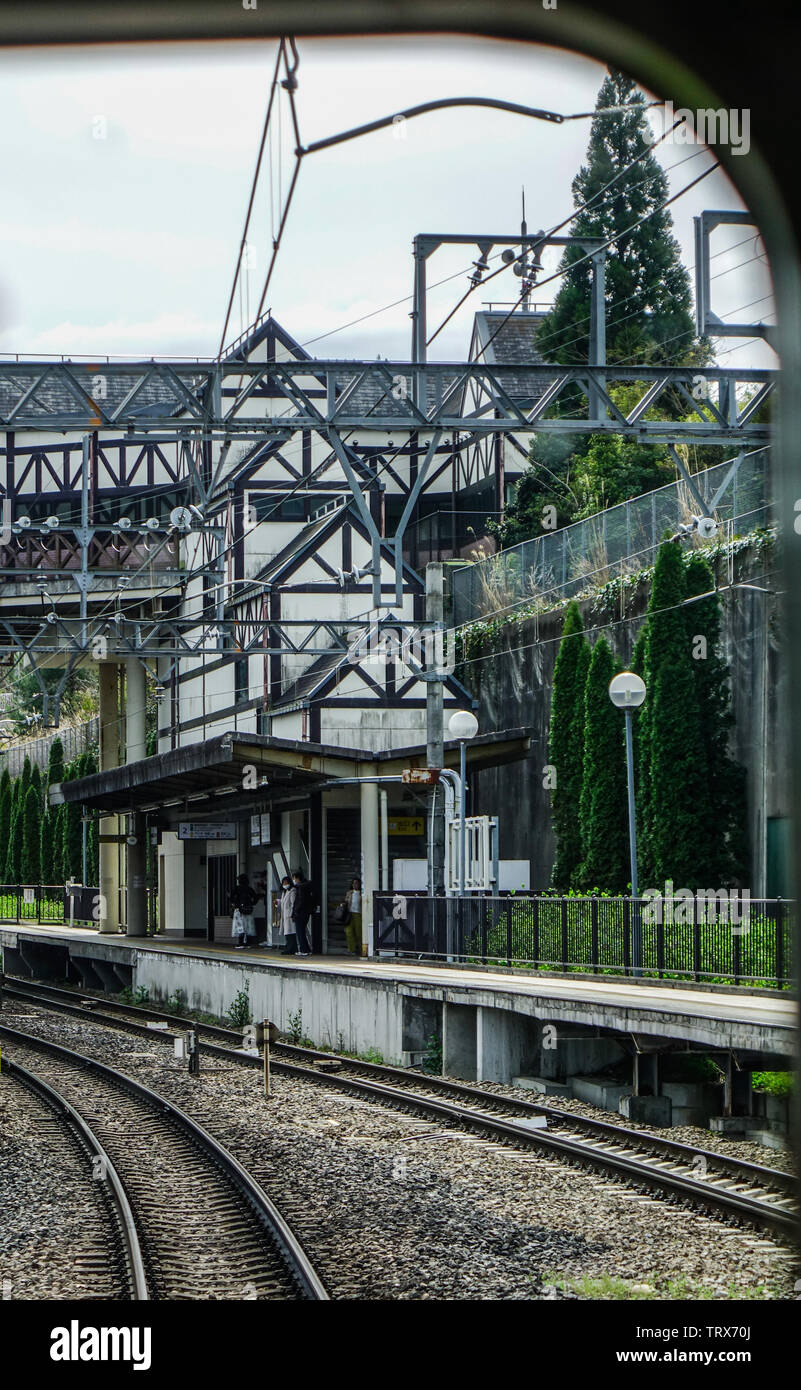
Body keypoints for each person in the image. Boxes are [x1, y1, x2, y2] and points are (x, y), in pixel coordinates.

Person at [230, 873, 258, 950]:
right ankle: (248, 943)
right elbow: (255, 898)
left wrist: (235, 904)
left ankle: (241, 943)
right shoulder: (249, 889)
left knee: (240, 926)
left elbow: (231, 898)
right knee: (248, 926)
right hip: (248, 910)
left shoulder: (236, 888)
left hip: (239, 910)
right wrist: (251, 903)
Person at [291, 868, 314, 956]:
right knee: (302, 931)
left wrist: (295, 912)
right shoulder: (306, 887)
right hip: (306, 913)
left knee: (300, 932)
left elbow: (300, 901)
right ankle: (306, 949)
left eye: (294, 878)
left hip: (300, 913)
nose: (294, 880)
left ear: (297, 878)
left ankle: (303, 949)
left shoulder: (300, 888)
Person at [278, 875, 297, 954]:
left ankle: (290, 949)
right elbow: (283, 902)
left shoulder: (292, 891)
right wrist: (278, 902)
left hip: (289, 915)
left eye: (286, 882)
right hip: (285, 916)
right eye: (283, 883)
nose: (285, 884)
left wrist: (293, 914)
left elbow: (293, 903)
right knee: (287, 933)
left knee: (290, 933)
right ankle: (290, 948)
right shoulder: (284, 892)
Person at [344, 876, 362, 956]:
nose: (355, 885)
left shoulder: (362, 893)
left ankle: (361, 948)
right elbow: (345, 901)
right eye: (353, 883)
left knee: (359, 933)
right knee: (348, 932)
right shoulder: (349, 893)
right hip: (350, 914)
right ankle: (351, 949)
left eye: (357, 883)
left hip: (358, 914)